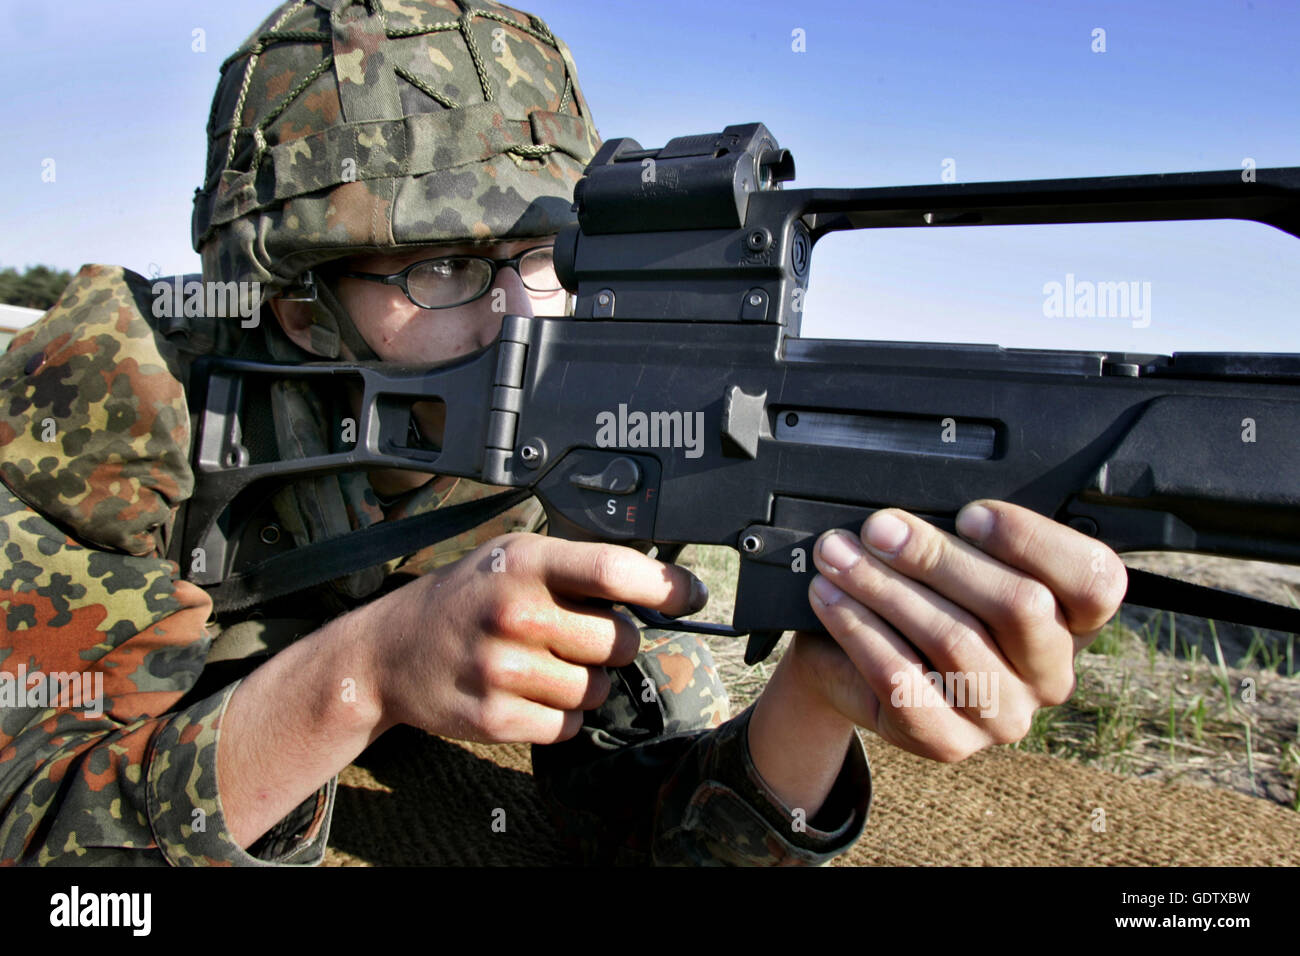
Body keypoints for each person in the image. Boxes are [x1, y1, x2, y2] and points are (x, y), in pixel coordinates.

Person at [0, 0, 1126, 866]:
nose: (522, 313)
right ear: (300, 307)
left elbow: (641, 828)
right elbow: (44, 838)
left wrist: (816, 701)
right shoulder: (122, 383)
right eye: (444, 266)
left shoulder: (597, 421)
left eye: (548, 256)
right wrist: (365, 673)